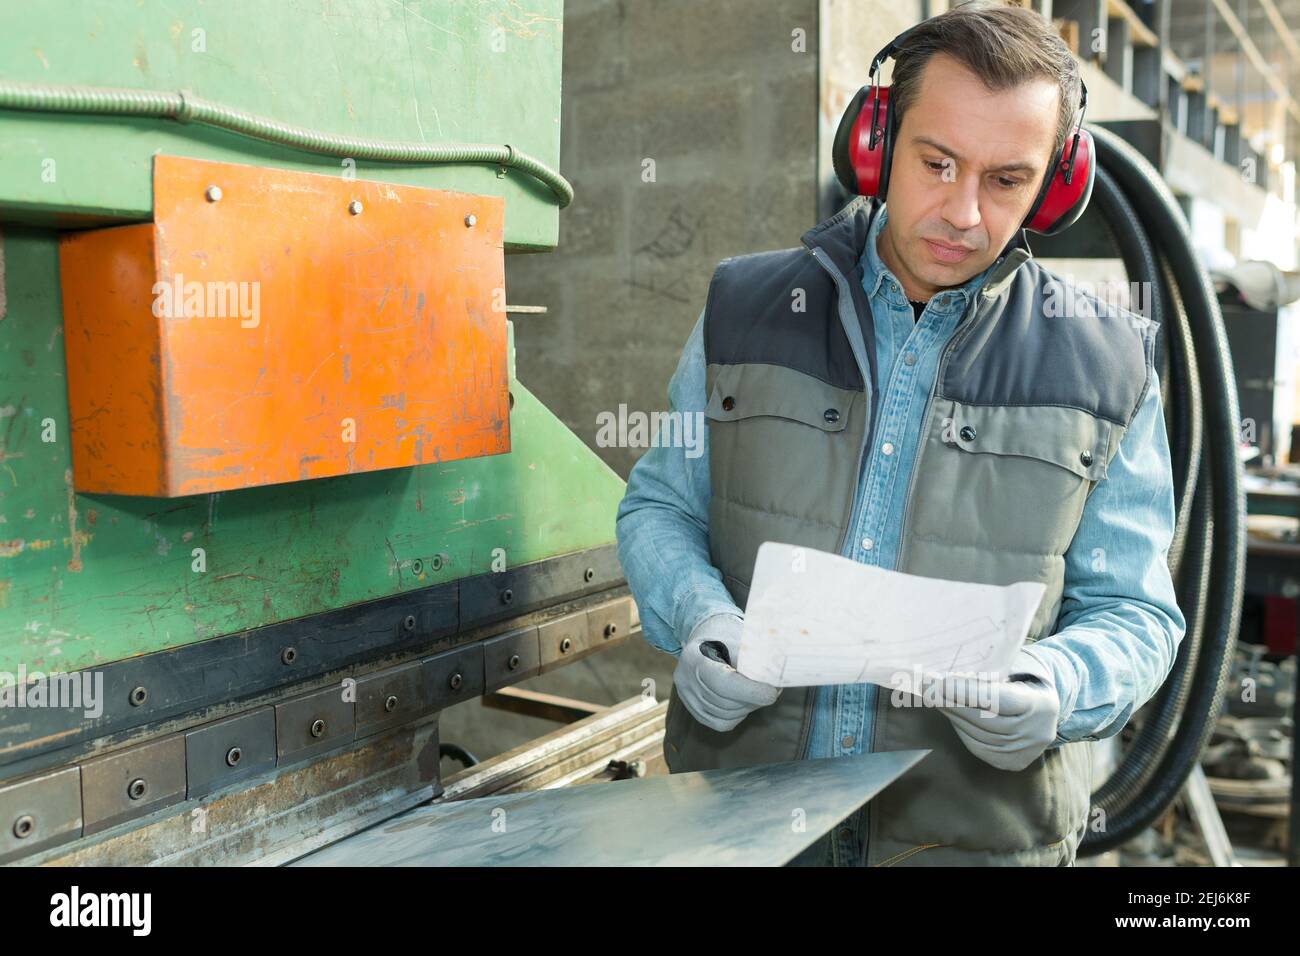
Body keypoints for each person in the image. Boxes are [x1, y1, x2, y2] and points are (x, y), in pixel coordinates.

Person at [615, 1, 1185, 866]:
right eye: (938, 162)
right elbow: (661, 507)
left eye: (1005, 180)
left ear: (1056, 186)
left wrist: (1057, 685)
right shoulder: (745, 310)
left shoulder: (1108, 366)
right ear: (877, 143)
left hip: (971, 846)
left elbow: (1139, 611)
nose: (962, 212)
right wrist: (698, 620)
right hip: (743, 835)